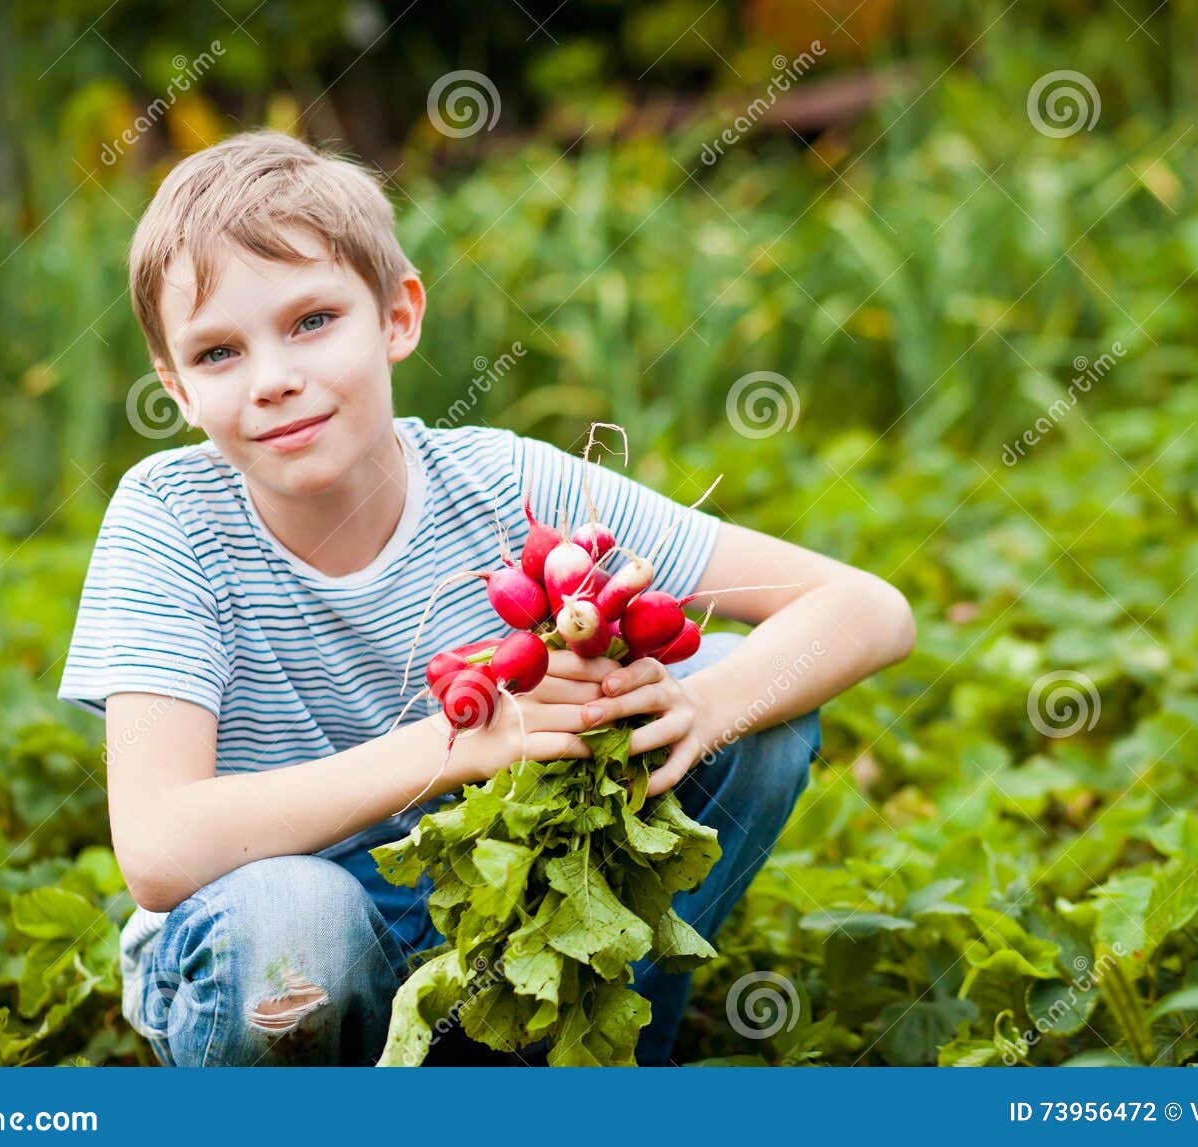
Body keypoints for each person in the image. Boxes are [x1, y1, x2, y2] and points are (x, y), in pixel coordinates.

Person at [57, 130, 915, 1067]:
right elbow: (157, 845)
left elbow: (868, 608)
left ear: (397, 316)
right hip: (282, 945)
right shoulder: (171, 519)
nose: (274, 380)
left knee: (739, 691)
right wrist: (460, 743)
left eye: (312, 321)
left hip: (499, 921)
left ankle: (552, 1051)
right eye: (220, 353)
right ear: (177, 390)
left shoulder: (505, 486)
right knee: (297, 914)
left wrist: (701, 711)